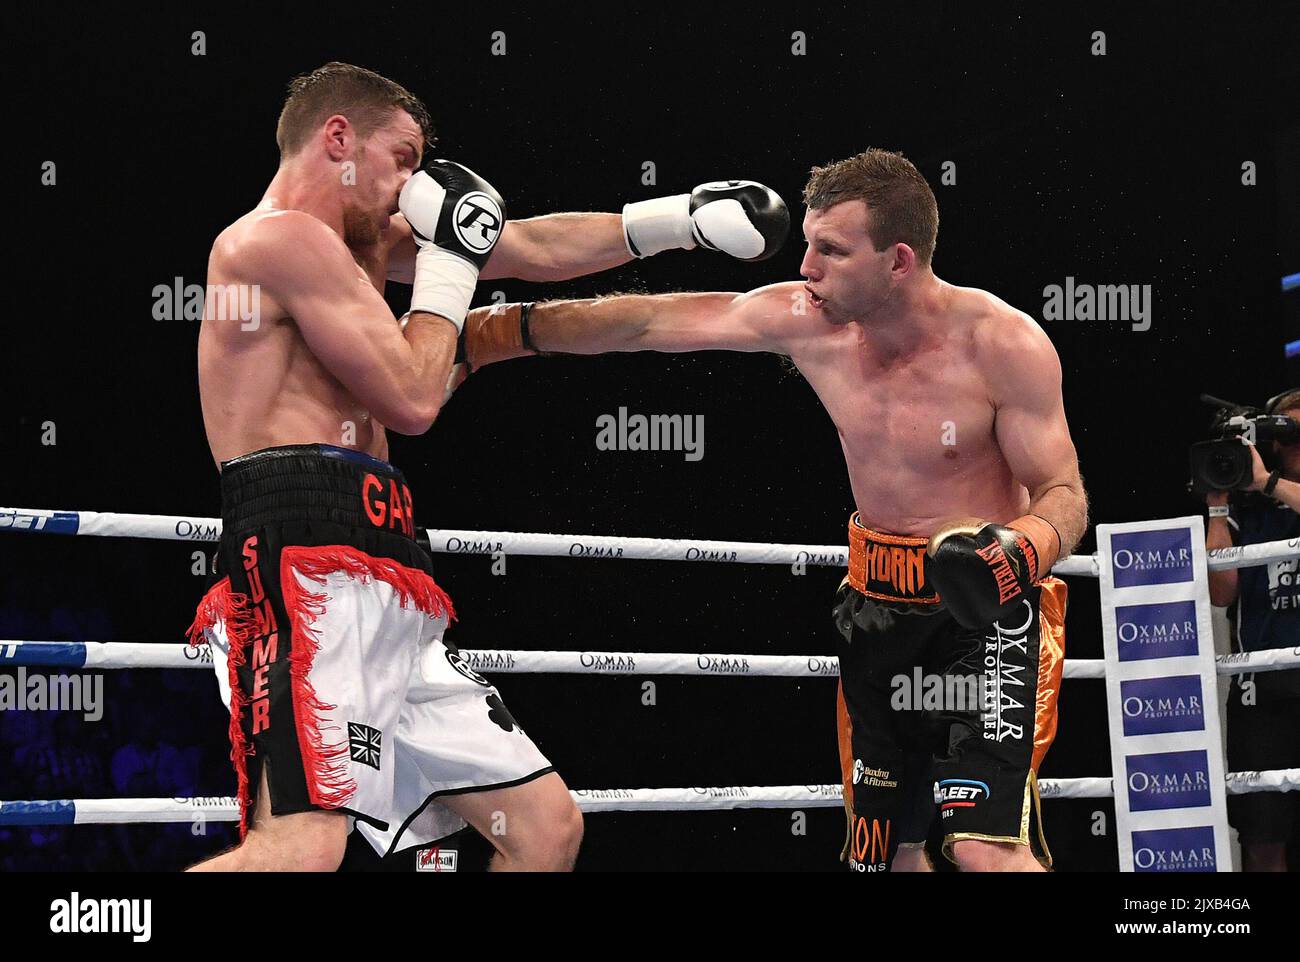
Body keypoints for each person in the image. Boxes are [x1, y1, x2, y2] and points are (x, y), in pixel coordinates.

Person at [187, 61, 788, 871]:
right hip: (300, 564)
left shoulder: (358, 247)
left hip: (388, 568)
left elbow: (530, 245)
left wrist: (677, 219)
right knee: (300, 846)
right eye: (403, 157)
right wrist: (448, 263)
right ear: (338, 138)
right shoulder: (276, 240)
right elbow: (412, 397)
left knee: (542, 830)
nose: (412, 182)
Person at [453, 148, 1088, 872]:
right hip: (875, 609)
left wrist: (1018, 553)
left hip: (986, 618)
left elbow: (1064, 493)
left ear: (899, 260)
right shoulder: (809, 320)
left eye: (832, 250)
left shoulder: (1002, 343)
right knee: (887, 857)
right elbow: (647, 324)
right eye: (810, 243)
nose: (806, 265)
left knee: (980, 845)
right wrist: (491, 334)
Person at [1206, 389, 1300, 872]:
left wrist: (1269, 482)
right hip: (1259, 692)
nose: (1293, 444)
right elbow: (1221, 593)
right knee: (1263, 838)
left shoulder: (1268, 489)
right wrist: (1218, 504)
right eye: (1285, 434)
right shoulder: (1251, 510)